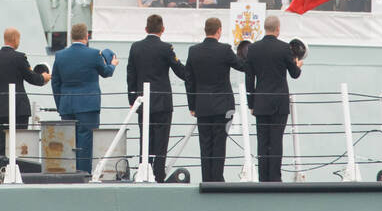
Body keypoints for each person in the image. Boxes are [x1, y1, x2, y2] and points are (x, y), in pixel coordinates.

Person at [183, 17, 247, 182]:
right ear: (219, 30)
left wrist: (192, 105)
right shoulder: (225, 50)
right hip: (223, 107)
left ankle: (206, 180)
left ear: (205, 30)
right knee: (220, 144)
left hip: (202, 106)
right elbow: (242, 66)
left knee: (205, 145)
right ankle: (217, 179)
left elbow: (189, 80)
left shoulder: (193, 51)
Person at [126, 14, 187, 182]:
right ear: (163, 29)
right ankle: (158, 176)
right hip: (162, 103)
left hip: (142, 102)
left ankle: (143, 174)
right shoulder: (166, 48)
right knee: (161, 143)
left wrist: (132, 100)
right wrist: (197, 74)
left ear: (146, 29)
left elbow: (130, 75)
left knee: (144, 140)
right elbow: (180, 71)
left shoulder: (135, 48)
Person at [50, 23, 117, 173]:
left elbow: (55, 82)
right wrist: (113, 64)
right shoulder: (94, 54)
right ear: (86, 36)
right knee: (85, 143)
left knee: (68, 142)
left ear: (71, 36)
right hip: (88, 105)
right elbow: (106, 72)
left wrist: (60, 105)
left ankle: (68, 174)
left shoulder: (60, 55)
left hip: (66, 105)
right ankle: (83, 175)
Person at [244, 14, 302, 182]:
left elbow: (249, 79)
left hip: (260, 102)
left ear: (265, 28)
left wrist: (251, 103)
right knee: (276, 141)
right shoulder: (284, 48)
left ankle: (263, 178)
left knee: (262, 141)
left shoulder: (253, 49)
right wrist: (298, 65)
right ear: (278, 29)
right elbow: (294, 74)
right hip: (279, 102)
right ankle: (275, 178)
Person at [0, 27, 50, 157]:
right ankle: (19, 170)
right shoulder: (19, 57)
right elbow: (32, 78)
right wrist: (44, 78)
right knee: (19, 142)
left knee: (2, 143)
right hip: (19, 108)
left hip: (0, 109)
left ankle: (1, 170)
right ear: (15, 39)